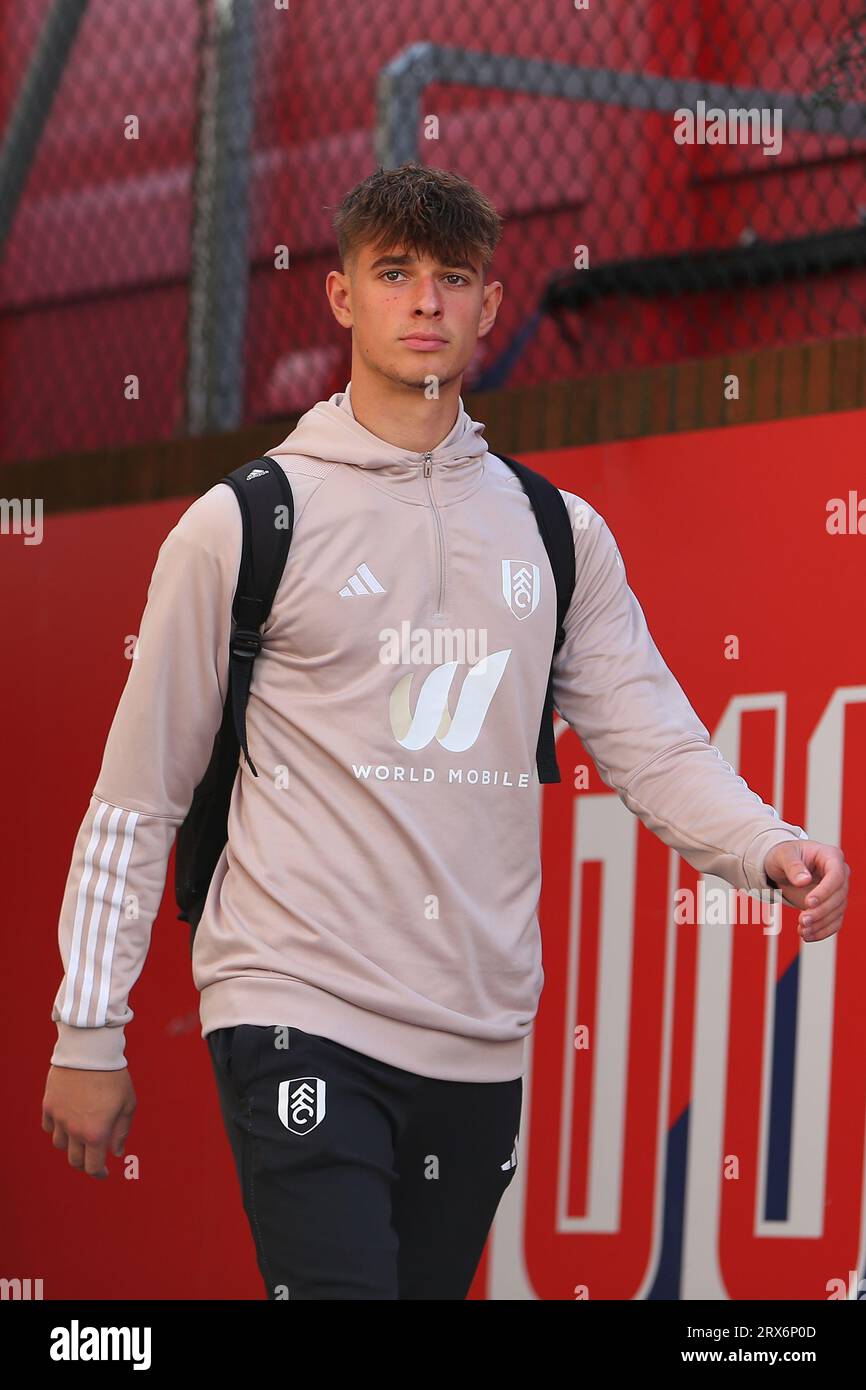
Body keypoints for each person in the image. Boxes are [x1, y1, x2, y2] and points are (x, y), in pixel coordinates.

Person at [41, 162, 850, 1300]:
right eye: (394, 273)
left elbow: (653, 743)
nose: (424, 301)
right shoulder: (241, 524)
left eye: (451, 277)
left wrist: (766, 846)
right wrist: (89, 1026)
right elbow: (139, 793)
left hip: (476, 1039)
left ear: (490, 305)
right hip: (294, 1005)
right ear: (341, 299)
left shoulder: (557, 533)